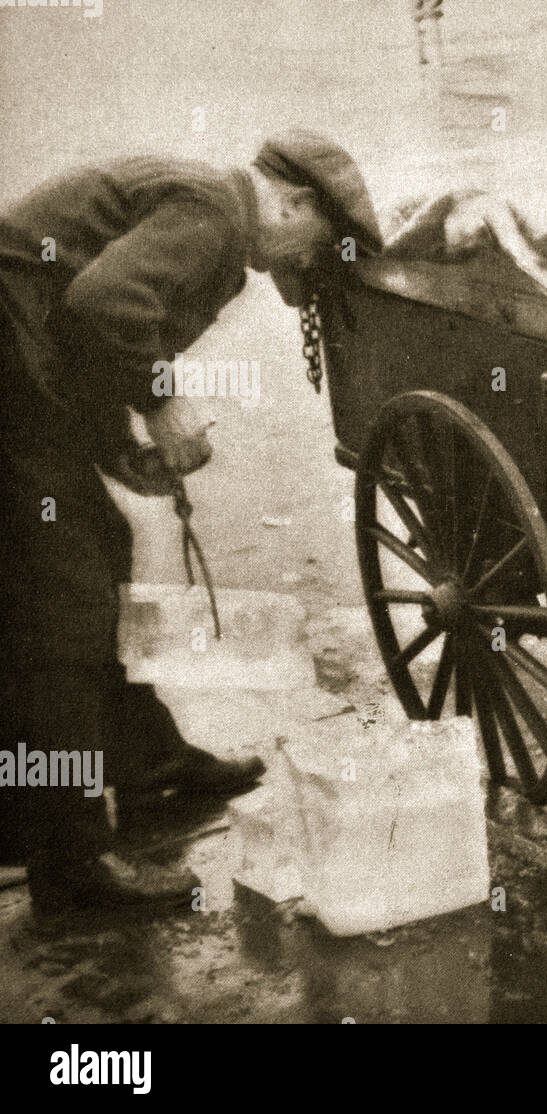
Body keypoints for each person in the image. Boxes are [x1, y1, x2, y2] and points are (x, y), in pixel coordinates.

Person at [0, 130, 383, 918]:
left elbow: (84, 332)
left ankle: (149, 764)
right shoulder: (214, 212)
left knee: (96, 553)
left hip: (23, 356)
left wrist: (117, 446)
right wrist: (164, 402)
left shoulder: (214, 214)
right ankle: (70, 867)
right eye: (321, 244)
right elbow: (103, 308)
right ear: (295, 202)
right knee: (61, 603)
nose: (310, 265)